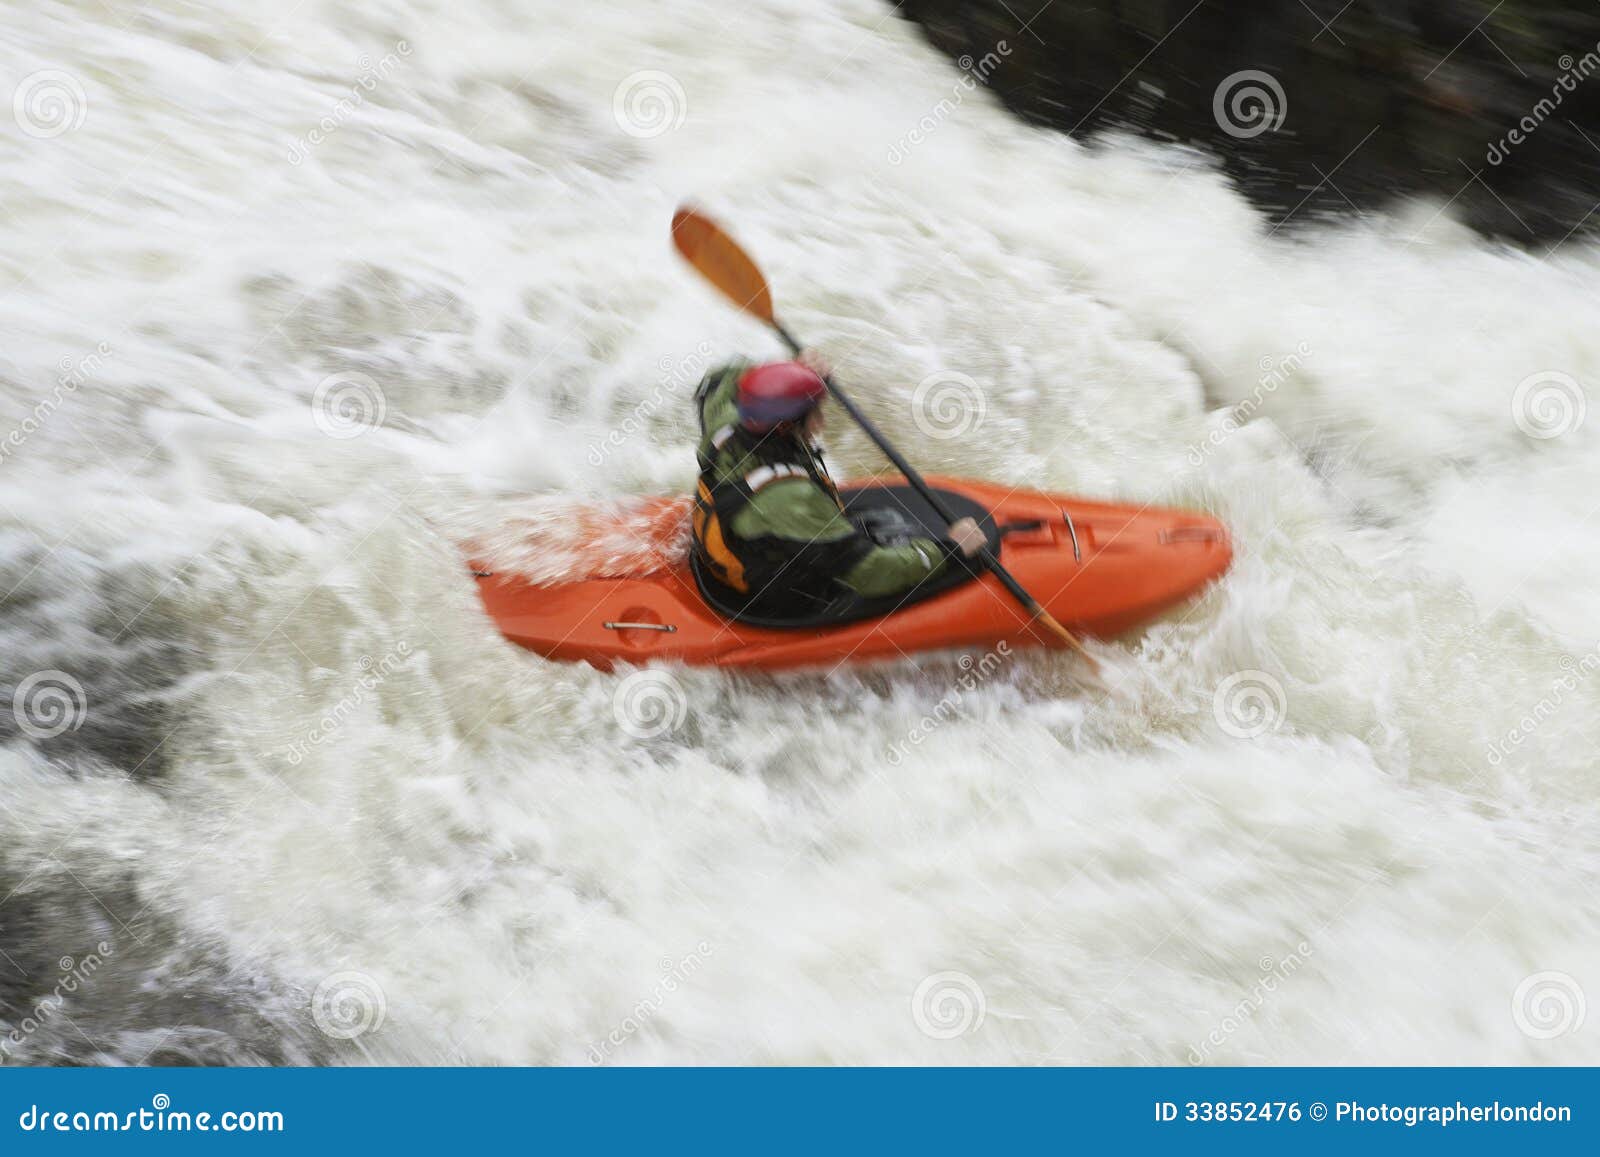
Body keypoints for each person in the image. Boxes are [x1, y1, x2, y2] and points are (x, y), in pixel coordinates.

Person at [690, 359, 988, 616]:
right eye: (814, 415)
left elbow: (719, 380)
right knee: (888, 562)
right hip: (776, 594)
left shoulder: (727, 423)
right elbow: (872, 573)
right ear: (784, 426)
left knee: (879, 522)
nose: (820, 425)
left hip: (749, 540)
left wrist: (792, 370)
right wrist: (950, 551)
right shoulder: (791, 499)